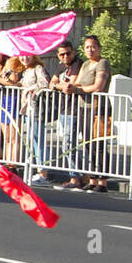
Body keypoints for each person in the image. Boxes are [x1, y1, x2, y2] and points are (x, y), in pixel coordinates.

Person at [76, 34, 111, 192]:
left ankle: (102, 181)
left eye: (93, 47)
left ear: (99, 48)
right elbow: (77, 81)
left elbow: (98, 86)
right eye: (87, 47)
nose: (90, 50)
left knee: (100, 144)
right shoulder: (85, 65)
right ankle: (92, 179)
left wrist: (77, 89)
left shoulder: (102, 63)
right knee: (89, 144)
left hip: (99, 108)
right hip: (85, 107)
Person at [51, 41, 85, 189]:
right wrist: (57, 85)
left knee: (69, 144)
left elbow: (71, 84)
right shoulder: (61, 66)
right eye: (62, 54)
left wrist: (58, 85)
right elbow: (52, 82)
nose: (65, 56)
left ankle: (75, 178)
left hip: (76, 109)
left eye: (68, 53)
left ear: (74, 52)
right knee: (66, 144)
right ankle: (78, 175)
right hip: (64, 109)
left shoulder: (77, 64)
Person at [18, 53, 51, 183]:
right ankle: (37, 170)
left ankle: (43, 173)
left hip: (36, 108)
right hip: (27, 109)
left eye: (27, 56)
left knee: (38, 140)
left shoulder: (38, 68)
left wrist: (29, 90)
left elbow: (45, 83)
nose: (24, 58)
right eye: (22, 56)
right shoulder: (26, 71)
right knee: (33, 140)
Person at [0, 56, 24, 166]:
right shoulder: (1, 66)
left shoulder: (14, 62)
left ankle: (13, 164)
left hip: (14, 100)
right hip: (4, 100)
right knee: (7, 138)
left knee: (14, 138)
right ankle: (8, 162)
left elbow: (14, 82)